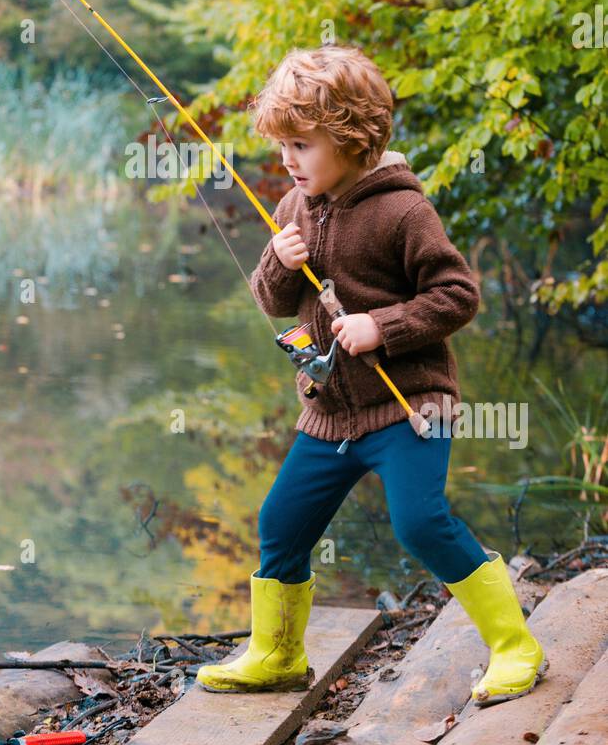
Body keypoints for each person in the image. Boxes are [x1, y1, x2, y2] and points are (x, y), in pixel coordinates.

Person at [195, 44, 547, 707]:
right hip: (331, 412)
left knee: (419, 523)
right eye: (282, 147)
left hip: (411, 406)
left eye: (301, 145)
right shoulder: (296, 207)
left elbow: (456, 296)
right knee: (280, 523)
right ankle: (277, 652)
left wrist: (382, 326)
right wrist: (276, 258)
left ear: (352, 138)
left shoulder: (403, 211)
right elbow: (272, 299)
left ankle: (514, 646)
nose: (287, 161)